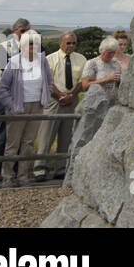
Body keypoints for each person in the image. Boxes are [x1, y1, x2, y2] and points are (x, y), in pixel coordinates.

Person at [0, 30, 53, 188]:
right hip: (18, 108)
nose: (33, 46)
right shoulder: (14, 61)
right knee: (12, 145)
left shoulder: (42, 60)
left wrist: (45, 99)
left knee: (28, 143)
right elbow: (3, 89)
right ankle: (7, 177)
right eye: (29, 43)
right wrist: (13, 106)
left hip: (37, 106)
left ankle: (23, 176)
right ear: (22, 45)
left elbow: (49, 81)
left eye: (35, 43)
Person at [33, 31, 87, 181]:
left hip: (72, 100)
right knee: (46, 136)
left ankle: (61, 168)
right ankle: (39, 170)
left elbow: (83, 80)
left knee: (66, 136)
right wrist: (60, 96)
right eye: (68, 43)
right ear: (61, 43)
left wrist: (72, 95)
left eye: (74, 43)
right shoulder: (49, 59)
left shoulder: (81, 59)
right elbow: (46, 81)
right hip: (53, 101)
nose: (71, 46)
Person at [0, 17, 30, 181]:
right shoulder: (4, 47)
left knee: (20, 133)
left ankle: (14, 168)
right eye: (22, 31)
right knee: (3, 131)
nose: (25, 34)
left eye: (27, 31)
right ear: (14, 31)